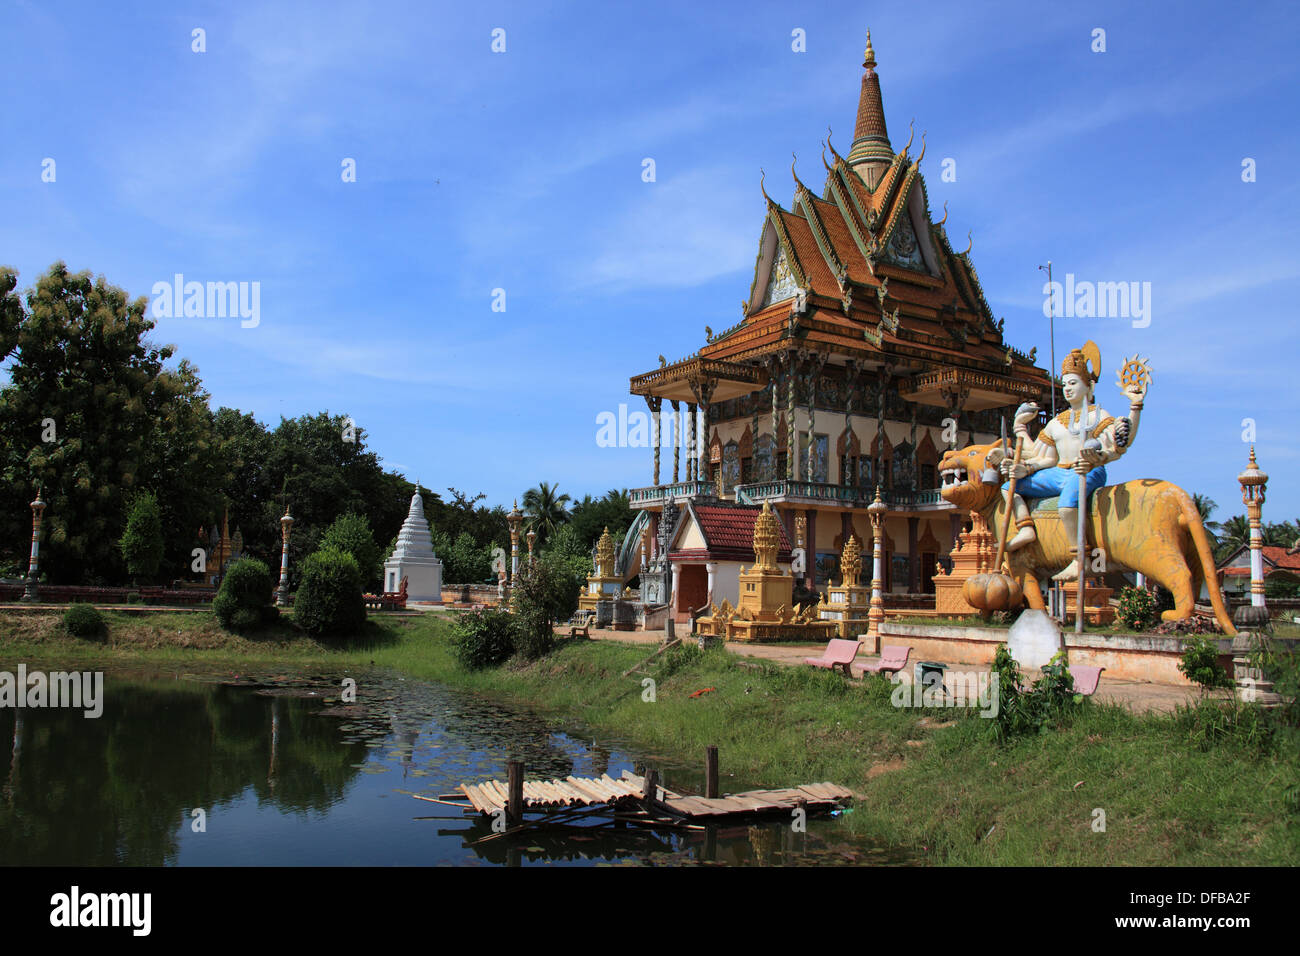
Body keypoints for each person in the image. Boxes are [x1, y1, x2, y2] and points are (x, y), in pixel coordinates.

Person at [998, 341, 1147, 582]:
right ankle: (1026, 528)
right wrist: (1020, 435)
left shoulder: (1099, 416)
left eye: (1073, 383)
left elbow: (1120, 443)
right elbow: (1041, 456)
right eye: (1065, 383)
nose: (1067, 389)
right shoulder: (1057, 422)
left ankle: (1080, 559)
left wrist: (1135, 407)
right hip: (1059, 472)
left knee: (1067, 504)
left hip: (1088, 471)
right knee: (1009, 487)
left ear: (1089, 386)